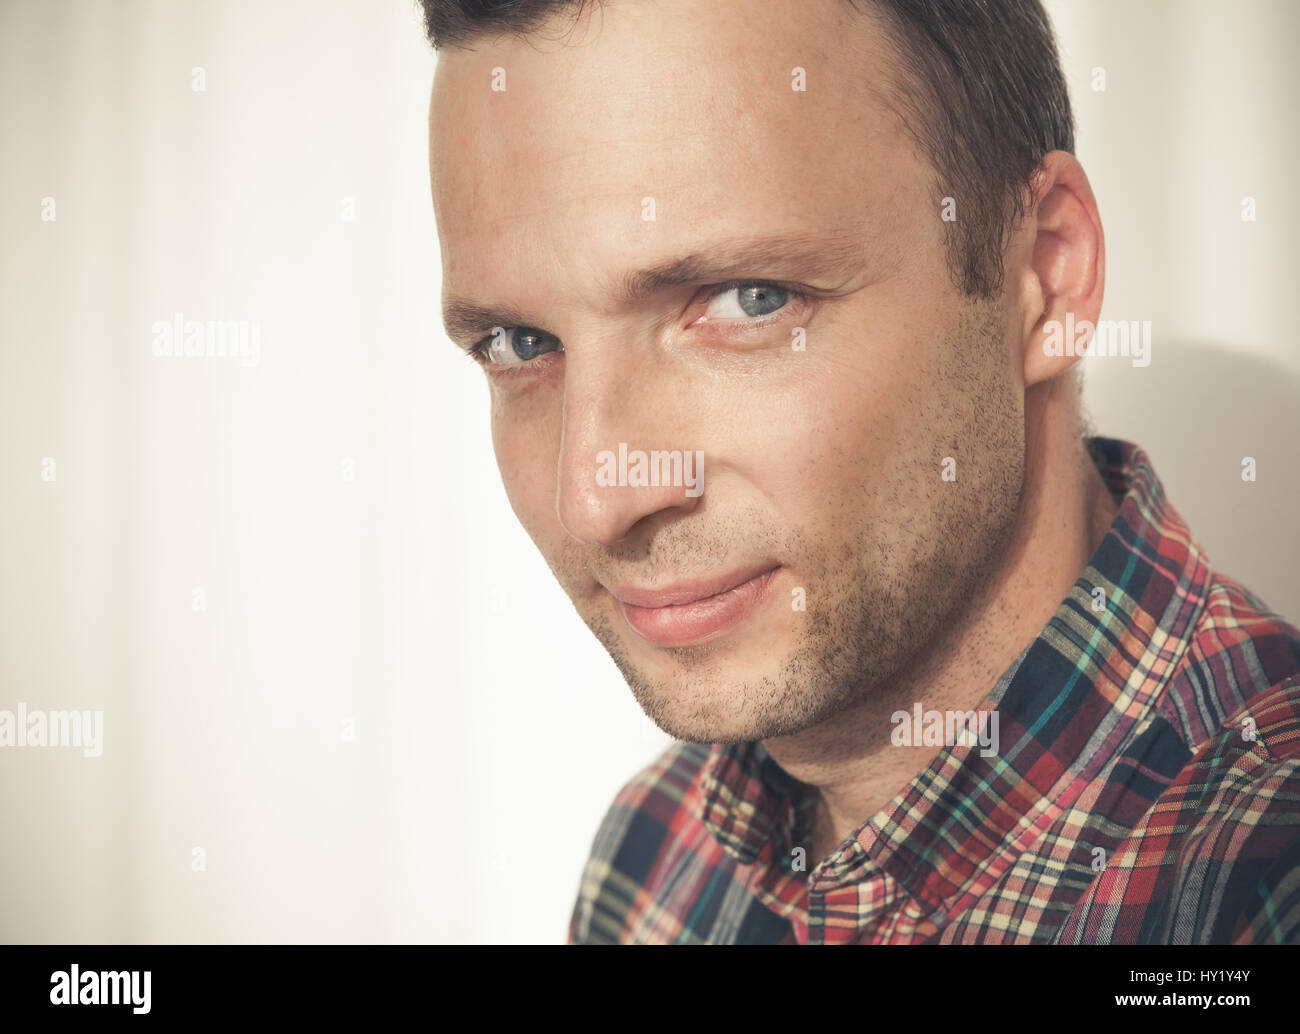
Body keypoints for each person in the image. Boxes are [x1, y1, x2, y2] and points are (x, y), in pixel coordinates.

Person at [422, 0, 1300, 943]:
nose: (597, 498)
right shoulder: (651, 863)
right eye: (520, 343)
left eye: (746, 300)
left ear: (1045, 274)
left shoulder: (1265, 878)